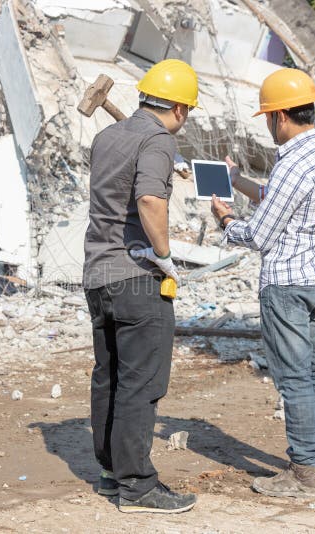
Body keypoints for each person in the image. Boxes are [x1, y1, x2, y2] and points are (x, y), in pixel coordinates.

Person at [211, 68, 315, 499]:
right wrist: (235, 181)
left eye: (268, 117)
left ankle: (303, 473)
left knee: (294, 380)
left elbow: (258, 235)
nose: (269, 125)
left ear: (280, 116)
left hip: (286, 285)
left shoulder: (291, 160)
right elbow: (281, 199)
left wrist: (226, 220)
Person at [82, 59, 198, 514]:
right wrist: (165, 257)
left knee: (108, 377)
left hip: (97, 274)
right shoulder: (159, 140)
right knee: (141, 382)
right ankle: (138, 487)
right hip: (136, 277)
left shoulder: (108, 137)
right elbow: (149, 198)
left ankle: (112, 473)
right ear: (181, 109)